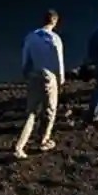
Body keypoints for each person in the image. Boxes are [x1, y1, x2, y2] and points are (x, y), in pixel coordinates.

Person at [13, 10, 66, 159]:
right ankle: (43, 139)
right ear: (55, 21)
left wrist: (25, 73)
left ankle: (20, 145)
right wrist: (61, 79)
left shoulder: (31, 37)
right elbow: (58, 61)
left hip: (34, 75)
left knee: (31, 112)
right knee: (50, 109)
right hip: (49, 76)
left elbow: (25, 56)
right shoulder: (54, 39)